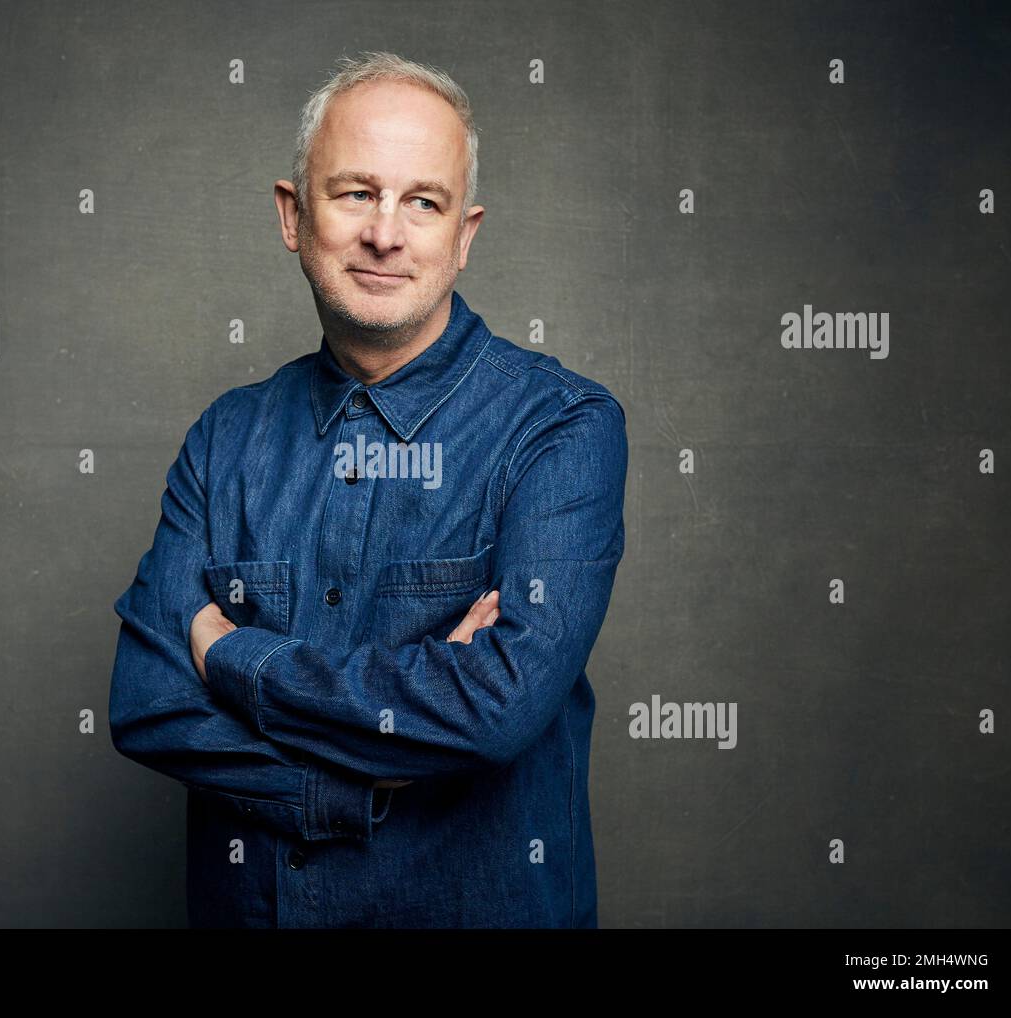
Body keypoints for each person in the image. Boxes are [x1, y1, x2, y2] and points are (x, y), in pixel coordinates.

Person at [108, 50, 627, 928]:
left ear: (464, 235)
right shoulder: (224, 437)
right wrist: (366, 776)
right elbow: (149, 702)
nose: (386, 233)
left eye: (423, 201)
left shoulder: (562, 429)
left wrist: (231, 655)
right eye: (356, 193)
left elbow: (499, 707)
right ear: (292, 215)